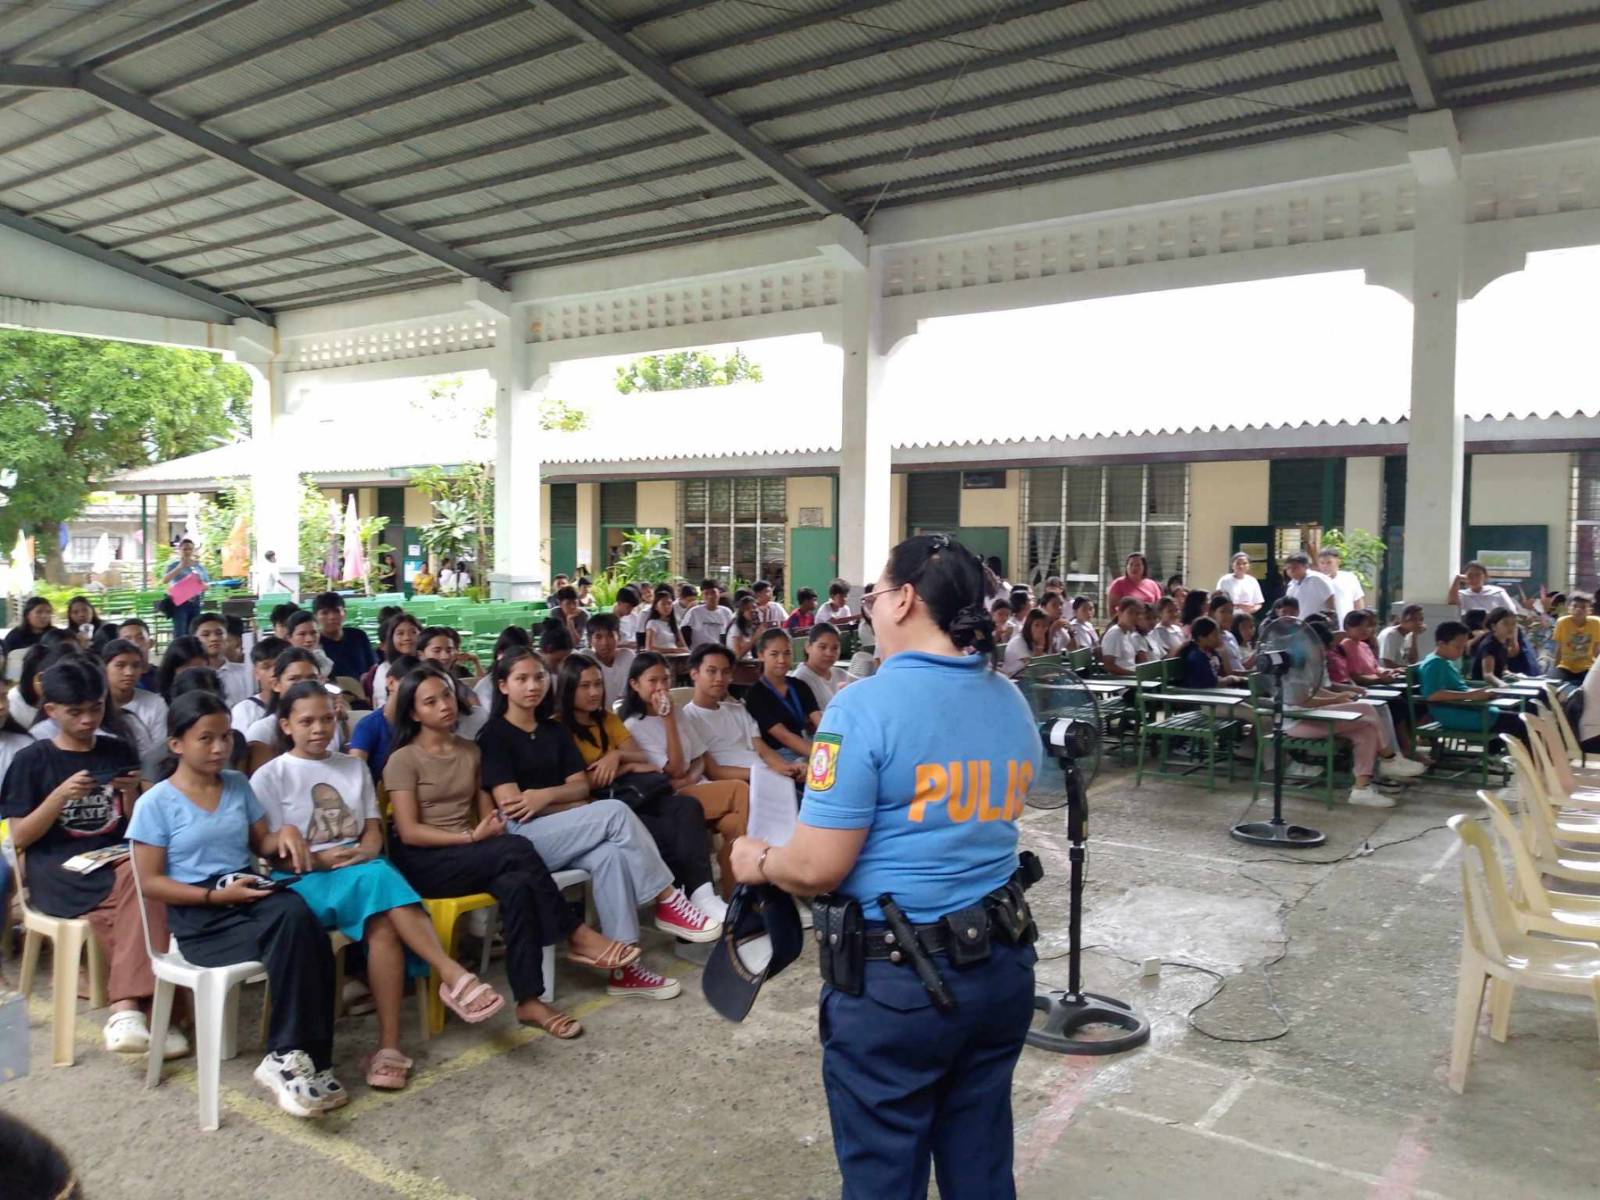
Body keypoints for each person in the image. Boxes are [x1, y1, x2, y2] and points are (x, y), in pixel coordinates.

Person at [728, 533, 1042, 1200]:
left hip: (900, 987)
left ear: (903, 600)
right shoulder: (1010, 700)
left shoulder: (860, 709)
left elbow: (816, 866)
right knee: (980, 1159)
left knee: (884, 1171)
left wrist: (757, 859)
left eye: (872, 595)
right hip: (1001, 965)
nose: (867, 608)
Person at [251, 681, 507, 1086]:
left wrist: (365, 853)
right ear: (285, 725)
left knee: (383, 919)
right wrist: (315, 857)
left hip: (361, 872)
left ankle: (389, 1047)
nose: (319, 728)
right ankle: (451, 974)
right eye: (306, 721)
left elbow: (372, 831)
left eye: (326, 718)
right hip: (304, 880)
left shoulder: (353, 768)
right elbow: (264, 846)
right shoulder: (271, 775)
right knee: (380, 881)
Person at [128, 690, 342, 1115]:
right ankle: (288, 1056)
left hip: (241, 893)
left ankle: (303, 1059)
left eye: (226, 737)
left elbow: (260, 842)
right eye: (206, 739)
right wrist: (213, 896)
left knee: (302, 919)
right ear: (177, 744)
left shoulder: (238, 784)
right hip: (200, 917)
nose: (220, 747)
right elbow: (151, 883)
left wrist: (285, 837)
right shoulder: (155, 804)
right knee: (293, 923)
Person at [472, 652, 700, 1002]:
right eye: (521, 679)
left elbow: (580, 786)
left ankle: (623, 970)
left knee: (610, 854)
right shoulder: (494, 736)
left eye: (538, 677)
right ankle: (666, 897)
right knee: (614, 811)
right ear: (503, 686)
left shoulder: (552, 729)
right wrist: (562, 803)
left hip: (562, 828)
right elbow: (513, 806)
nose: (533, 686)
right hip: (522, 840)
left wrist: (545, 796)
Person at [1, 657, 185, 1059]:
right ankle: (143, 1010)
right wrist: (58, 797)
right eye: (75, 712)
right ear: (50, 711)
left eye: (95, 709)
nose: (87, 720)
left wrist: (132, 792)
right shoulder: (33, 760)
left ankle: (134, 1012)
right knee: (145, 880)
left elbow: (137, 825)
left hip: (115, 862)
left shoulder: (116, 750)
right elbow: (18, 838)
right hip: (57, 870)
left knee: (143, 882)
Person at [555, 654, 726, 932]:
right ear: (568, 688)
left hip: (633, 794)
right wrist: (626, 762)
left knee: (686, 808)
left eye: (598, 684)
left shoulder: (607, 720)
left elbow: (641, 759)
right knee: (662, 829)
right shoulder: (559, 727)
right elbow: (586, 780)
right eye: (585, 686)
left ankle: (702, 894)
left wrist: (615, 758)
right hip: (600, 806)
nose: (595, 692)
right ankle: (677, 904)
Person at [621, 653, 750, 901]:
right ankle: (749, 890)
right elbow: (675, 769)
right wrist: (667, 721)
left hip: (697, 787)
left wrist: (690, 777)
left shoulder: (677, 712)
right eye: (652, 681)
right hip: (675, 799)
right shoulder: (634, 725)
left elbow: (700, 757)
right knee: (739, 789)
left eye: (665, 680)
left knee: (734, 824)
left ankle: (733, 899)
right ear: (635, 685)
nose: (661, 688)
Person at [678, 643, 808, 785]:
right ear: (694, 674)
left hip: (766, 777)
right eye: (711, 671)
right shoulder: (687, 719)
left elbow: (763, 750)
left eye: (726, 672)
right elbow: (714, 771)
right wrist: (766, 773)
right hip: (739, 784)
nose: (719, 678)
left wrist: (786, 768)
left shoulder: (737, 710)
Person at [1419, 620, 1530, 751]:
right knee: (1520, 722)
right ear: (1441, 644)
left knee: (1516, 716)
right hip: (1455, 714)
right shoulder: (1434, 664)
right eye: (1458, 647)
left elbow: (1458, 687)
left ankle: (1493, 753)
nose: (1461, 652)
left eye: (1463, 647)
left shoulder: (1445, 661)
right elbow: (1432, 695)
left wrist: (1482, 693)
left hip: (1468, 709)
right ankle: (1534, 764)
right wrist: (1471, 695)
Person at [246, 647, 350, 773]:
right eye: (294, 679)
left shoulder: (331, 723)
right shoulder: (262, 731)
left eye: (312, 678)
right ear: (276, 684)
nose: (304, 685)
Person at [744, 628, 821, 765]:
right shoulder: (755, 694)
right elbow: (784, 736)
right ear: (761, 655)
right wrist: (823, 756)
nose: (782, 660)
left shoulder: (799, 685)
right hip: (779, 753)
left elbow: (819, 720)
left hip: (807, 743)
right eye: (774, 654)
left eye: (787, 653)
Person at [348, 654, 420, 784]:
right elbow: (355, 775)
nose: (414, 690)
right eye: (409, 683)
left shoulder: (420, 723)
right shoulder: (368, 726)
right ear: (391, 683)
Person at [100, 638, 168, 760]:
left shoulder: (156, 704)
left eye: (136, 666)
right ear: (104, 667)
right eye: (120, 665)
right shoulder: (93, 706)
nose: (129, 672)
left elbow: (161, 753)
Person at [191, 611, 253, 708]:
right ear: (194, 639)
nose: (214, 638)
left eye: (219, 633)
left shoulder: (245, 672)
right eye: (206, 635)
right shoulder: (191, 676)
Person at [313, 592, 376, 682]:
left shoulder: (358, 636)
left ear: (344, 613)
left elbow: (372, 667)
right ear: (315, 617)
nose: (332, 617)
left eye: (336, 611)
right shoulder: (315, 644)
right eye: (325, 613)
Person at [231, 636, 287, 733]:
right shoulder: (244, 711)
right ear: (256, 673)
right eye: (266, 667)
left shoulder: (303, 704)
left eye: (279, 665)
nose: (273, 672)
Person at [1468, 606, 1538, 684]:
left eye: (1513, 624)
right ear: (1493, 626)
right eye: (1506, 623)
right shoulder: (1489, 645)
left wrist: (1516, 676)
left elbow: (1504, 670)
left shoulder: (1503, 644)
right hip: (1482, 688)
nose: (1510, 628)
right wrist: (1502, 685)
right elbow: (1488, 675)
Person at [370, 613, 422, 709]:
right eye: (400, 633)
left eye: (413, 632)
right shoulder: (384, 669)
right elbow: (382, 705)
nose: (407, 638)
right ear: (391, 638)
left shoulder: (427, 664)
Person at [584, 612, 635, 708]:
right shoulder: (586, 658)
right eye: (598, 637)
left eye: (610, 636)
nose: (605, 643)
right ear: (589, 639)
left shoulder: (628, 656)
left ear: (618, 637)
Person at [160, 538, 209, 638]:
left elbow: (207, 585)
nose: (188, 551)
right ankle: (179, 652)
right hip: (180, 602)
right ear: (179, 550)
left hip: (195, 602)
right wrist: (180, 567)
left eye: (190, 549)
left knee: (194, 631)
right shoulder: (173, 565)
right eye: (185, 549)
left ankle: (192, 652)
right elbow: (165, 580)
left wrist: (201, 584)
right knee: (180, 631)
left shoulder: (199, 566)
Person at [1175, 618, 1241, 689]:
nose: (1219, 638)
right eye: (1215, 635)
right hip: (1202, 695)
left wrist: (1224, 654)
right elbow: (1211, 684)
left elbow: (1225, 673)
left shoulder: (1213, 653)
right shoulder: (1198, 657)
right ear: (1201, 637)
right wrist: (1229, 679)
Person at [792, 622, 844, 712]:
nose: (829, 653)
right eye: (822, 647)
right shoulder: (800, 679)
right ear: (808, 646)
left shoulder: (840, 673)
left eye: (835, 648)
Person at [1553, 592, 1599, 684]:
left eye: (1583, 607)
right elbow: (1559, 648)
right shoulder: (1562, 623)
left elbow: (1597, 649)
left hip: (1587, 667)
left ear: (1589, 610)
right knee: (1554, 687)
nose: (1578, 610)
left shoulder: (1596, 623)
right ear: (1569, 608)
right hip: (1566, 666)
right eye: (1575, 606)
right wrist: (1555, 667)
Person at [1099, 597, 1149, 677]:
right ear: (1120, 612)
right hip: (1121, 681)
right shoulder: (1114, 634)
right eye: (1130, 613)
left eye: (1137, 614)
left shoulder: (1127, 633)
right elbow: (1109, 666)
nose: (1134, 617)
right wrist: (1134, 674)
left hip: (1131, 678)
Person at [1449, 561, 1520, 616]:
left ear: (1485, 577)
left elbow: (1511, 612)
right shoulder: (1462, 594)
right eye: (1470, 575)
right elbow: (1453, 607)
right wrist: (1457, 580)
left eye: (1478, 575)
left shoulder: (1497, 592)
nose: (1474, 578)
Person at [1318, 547, 1365, 622]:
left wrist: (1360, 621)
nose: (1325, 566)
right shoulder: (1316, 581)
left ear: (1338, 562)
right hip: (1323, 624)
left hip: (1347, 624)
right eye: (1322, 563)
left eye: (1329, 562)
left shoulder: (1349, 578)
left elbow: (1358, 602)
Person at [156, 636, 209, 702]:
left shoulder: (216, 701)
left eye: (199, 669)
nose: (194, 676)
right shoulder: (158, 704)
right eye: (187, 671)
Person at [682, 579, 733, 648]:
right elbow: (683, 634)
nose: (710, 596)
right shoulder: (694, 612)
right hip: (699, 652)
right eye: (706, 593)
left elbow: (730, 635)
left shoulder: (726, 612)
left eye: (713, 592)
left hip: (720, 652)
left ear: (719, 593)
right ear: (702, 595)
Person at [284, 610, 335, 678]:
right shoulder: (283, 666)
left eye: (313, 633)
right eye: (302, 634)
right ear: (289, 638)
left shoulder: (326, 663)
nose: (309, 639)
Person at [1283, 552, 1336, 618]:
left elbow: (1331, 601)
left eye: (1295, 567)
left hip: (1319, 623)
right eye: (1288, 568)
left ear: (1305, 567)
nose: (1291, 571)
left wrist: (1332, 621)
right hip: (1300, 625)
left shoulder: (1317, 579)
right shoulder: (1291, 586)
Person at [1001, 609, 1050, 679]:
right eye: (1037, 625)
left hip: (1031, 678)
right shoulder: (1019, 641)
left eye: (1044, 626)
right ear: (1029, 625)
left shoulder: (1037, 641)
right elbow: (1033, 667)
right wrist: (1040, 647)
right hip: (1015, 679)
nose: (1040, 629)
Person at [1378, 604, 1425, 669]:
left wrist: (1414, 636)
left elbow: (1413, 661)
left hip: (1401, 673)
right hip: (1388, 675)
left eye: (1421, 620)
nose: (1418, 623)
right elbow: (1387, 663)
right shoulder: (1391, 634)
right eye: (1414, 619)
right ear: (1404, 619)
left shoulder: (1410, 635)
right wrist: (1409, 670)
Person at [724, 592, 763, 659]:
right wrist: (754, 638)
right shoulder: (736, 627)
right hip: (740, 665)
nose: (752, 610)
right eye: (747, 609)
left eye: (754, 607)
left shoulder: (750, 626)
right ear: (742, 612)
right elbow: (737, 655)